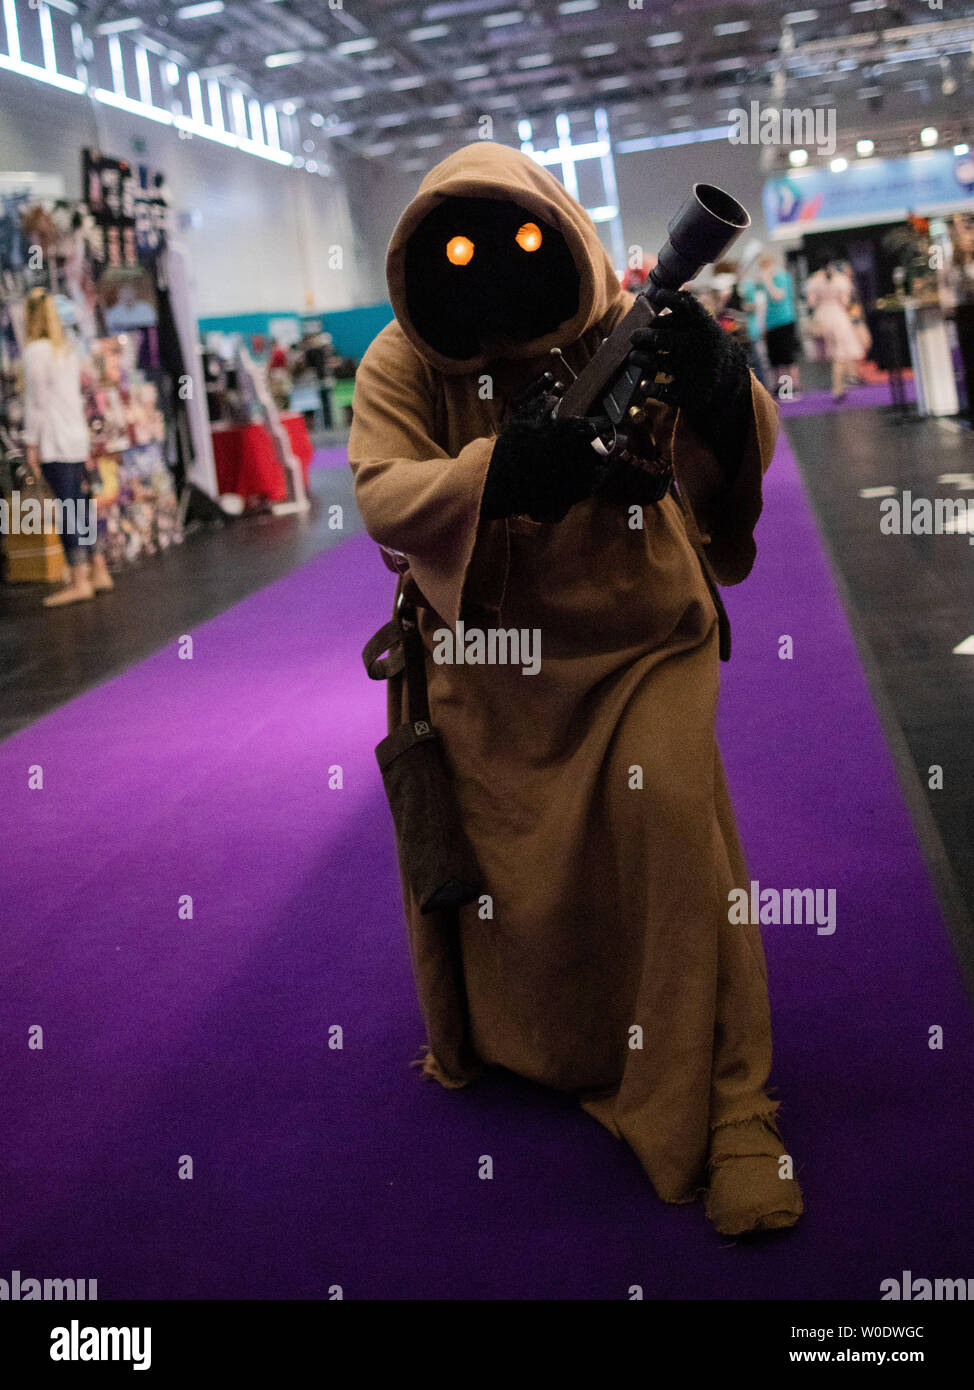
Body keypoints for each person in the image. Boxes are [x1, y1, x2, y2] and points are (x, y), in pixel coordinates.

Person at [349, 142, 803, 1237]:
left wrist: (714, 383)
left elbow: (739, 449)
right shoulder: (401, 364)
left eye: (516, 237)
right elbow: (380, 490)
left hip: (641, 634)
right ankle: (564, 1045)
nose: (494, 272)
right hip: (491, 665)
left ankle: (733, 1107)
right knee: (521, 875)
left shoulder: (617, 319)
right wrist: (495, 472)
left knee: (672, 828)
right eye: (458, 250)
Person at [22, 288, 113, 606]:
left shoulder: (36, 352)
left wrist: (30, 442)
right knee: (82, 505)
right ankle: (98, 569)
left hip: (55, 441)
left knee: (67, 509)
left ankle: (78, 579)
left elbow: (35, 404)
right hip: (75, 438)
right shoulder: (67, 351)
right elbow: (77, 400)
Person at [805, 261, 865, 401]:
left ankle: (839, 386)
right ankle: (838, 387)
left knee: (831, 354)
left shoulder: (814, 280)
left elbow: (811, 303)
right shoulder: (840, 280)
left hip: (822, 317)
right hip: (838, 317)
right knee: (840, 354)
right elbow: (845, 302)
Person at [757, 253, 801, 400]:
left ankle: (793, 386)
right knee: (775, 358)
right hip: (771, 323)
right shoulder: (765, 282)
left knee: (787, 356)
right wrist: (763, 325)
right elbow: (763, 304)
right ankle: (780, 387)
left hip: (784, 320)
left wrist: (768, 280)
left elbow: (778, 296)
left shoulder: (781, 277)